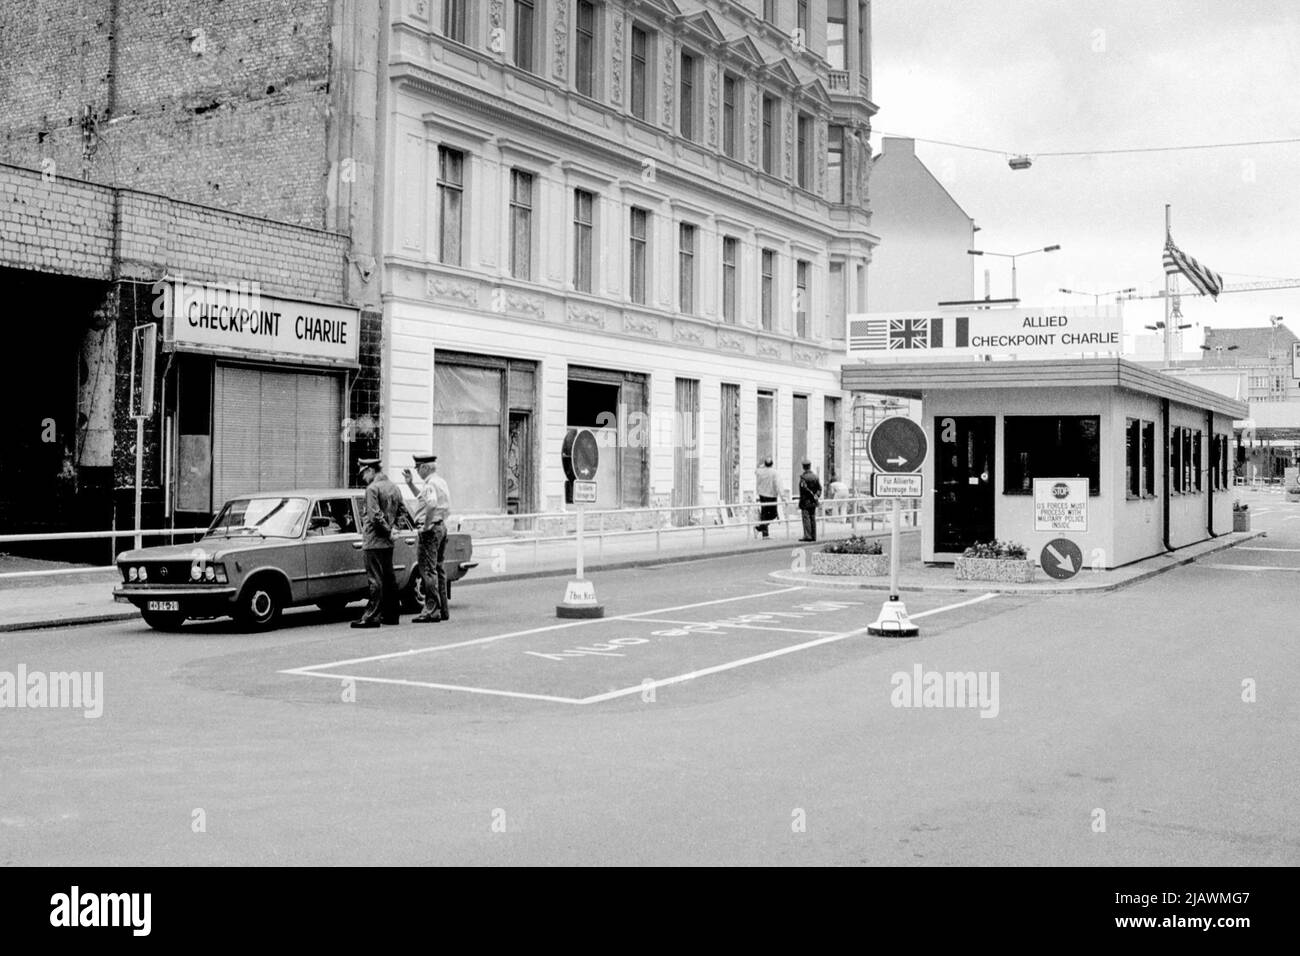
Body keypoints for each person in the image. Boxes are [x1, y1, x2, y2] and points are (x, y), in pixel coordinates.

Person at [352, 458, 403, 628]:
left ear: (371, 470)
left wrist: (388, 530)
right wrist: (394, 529)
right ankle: (392, 615)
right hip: (388, 542)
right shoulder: (394, 487)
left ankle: (372, 617)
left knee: (375, 579)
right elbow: (402, 511)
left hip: (373, 540)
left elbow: (374, 516)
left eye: (364, 473)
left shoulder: (372, 489)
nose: (363, 477)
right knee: (389, 578)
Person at [402, 453, 452, 624]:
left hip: (430, 531)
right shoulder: (440, 482)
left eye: (417, 468)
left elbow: (431, 504)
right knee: (439, 569)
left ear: (424, 467)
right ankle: (442, 609)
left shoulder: (430, 484)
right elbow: (424, 498)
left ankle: (431, 610)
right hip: (441, 527)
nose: (416, 471)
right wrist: (410, 484)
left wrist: (426, 525)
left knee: (428, 570)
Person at [754, 456, 782, 538]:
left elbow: (756, 471)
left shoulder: (760, 471)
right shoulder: (774, 472)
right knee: (773, 514)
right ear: (772, 464)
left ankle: (764, 534)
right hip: (771, 495)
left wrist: (762, 466)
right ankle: (760, 529)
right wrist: (782, 496)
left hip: (762, 495)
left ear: (765, 464)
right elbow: (778, 485)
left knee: (764, 514)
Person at [798, 458, 822, 542]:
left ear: (803, 467)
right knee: (812, 517)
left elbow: (803, 490)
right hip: (813, 501)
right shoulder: (815, 477)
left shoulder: (803, 477)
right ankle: (813, 536)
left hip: (805, 501)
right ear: (810, 466)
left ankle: (808, 536)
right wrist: (816, 496)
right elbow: (819, 488)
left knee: (806, 518)